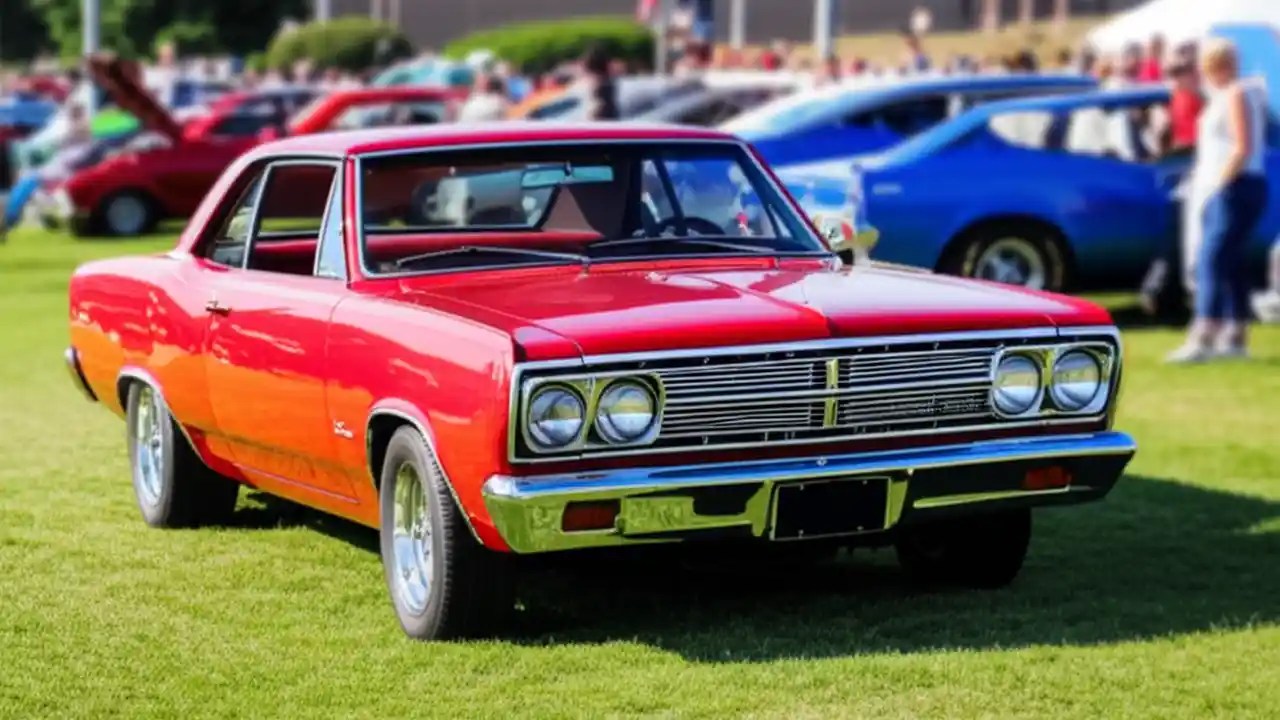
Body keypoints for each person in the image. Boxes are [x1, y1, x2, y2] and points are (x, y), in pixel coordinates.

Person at [1168, 39, 1269, 362]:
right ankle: (1235, 335)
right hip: (1231, 185)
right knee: (1232, 260)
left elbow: (1242, 146)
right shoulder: (1224, 96)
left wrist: (1219, 183)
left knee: (1211, 257)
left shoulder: (1236, 94)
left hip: (1233, 186)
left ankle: (1204, 334)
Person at [581, 44, 619, 121]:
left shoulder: (599, 83)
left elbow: (599, 105)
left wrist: (591, 117)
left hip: (601, 118)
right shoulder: (609, 81)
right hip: (611, 116)